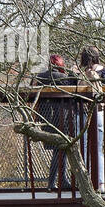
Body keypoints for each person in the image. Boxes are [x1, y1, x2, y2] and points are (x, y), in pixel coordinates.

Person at [34, 53, 78, 191]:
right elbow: (75, 87)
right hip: (62, 119)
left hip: (46, 118)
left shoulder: (40, 77)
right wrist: (74, 73)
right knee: (61, 149)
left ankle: (56, 181)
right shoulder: (64, 77)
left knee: (58, 150)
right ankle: (55, 182)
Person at [80, 46, 105, 189]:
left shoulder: (79, 73)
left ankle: (85, 183)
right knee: (98, 149)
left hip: (82, 112)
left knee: (82, 149)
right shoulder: (102, 71)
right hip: (99, 111)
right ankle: (101, 182)